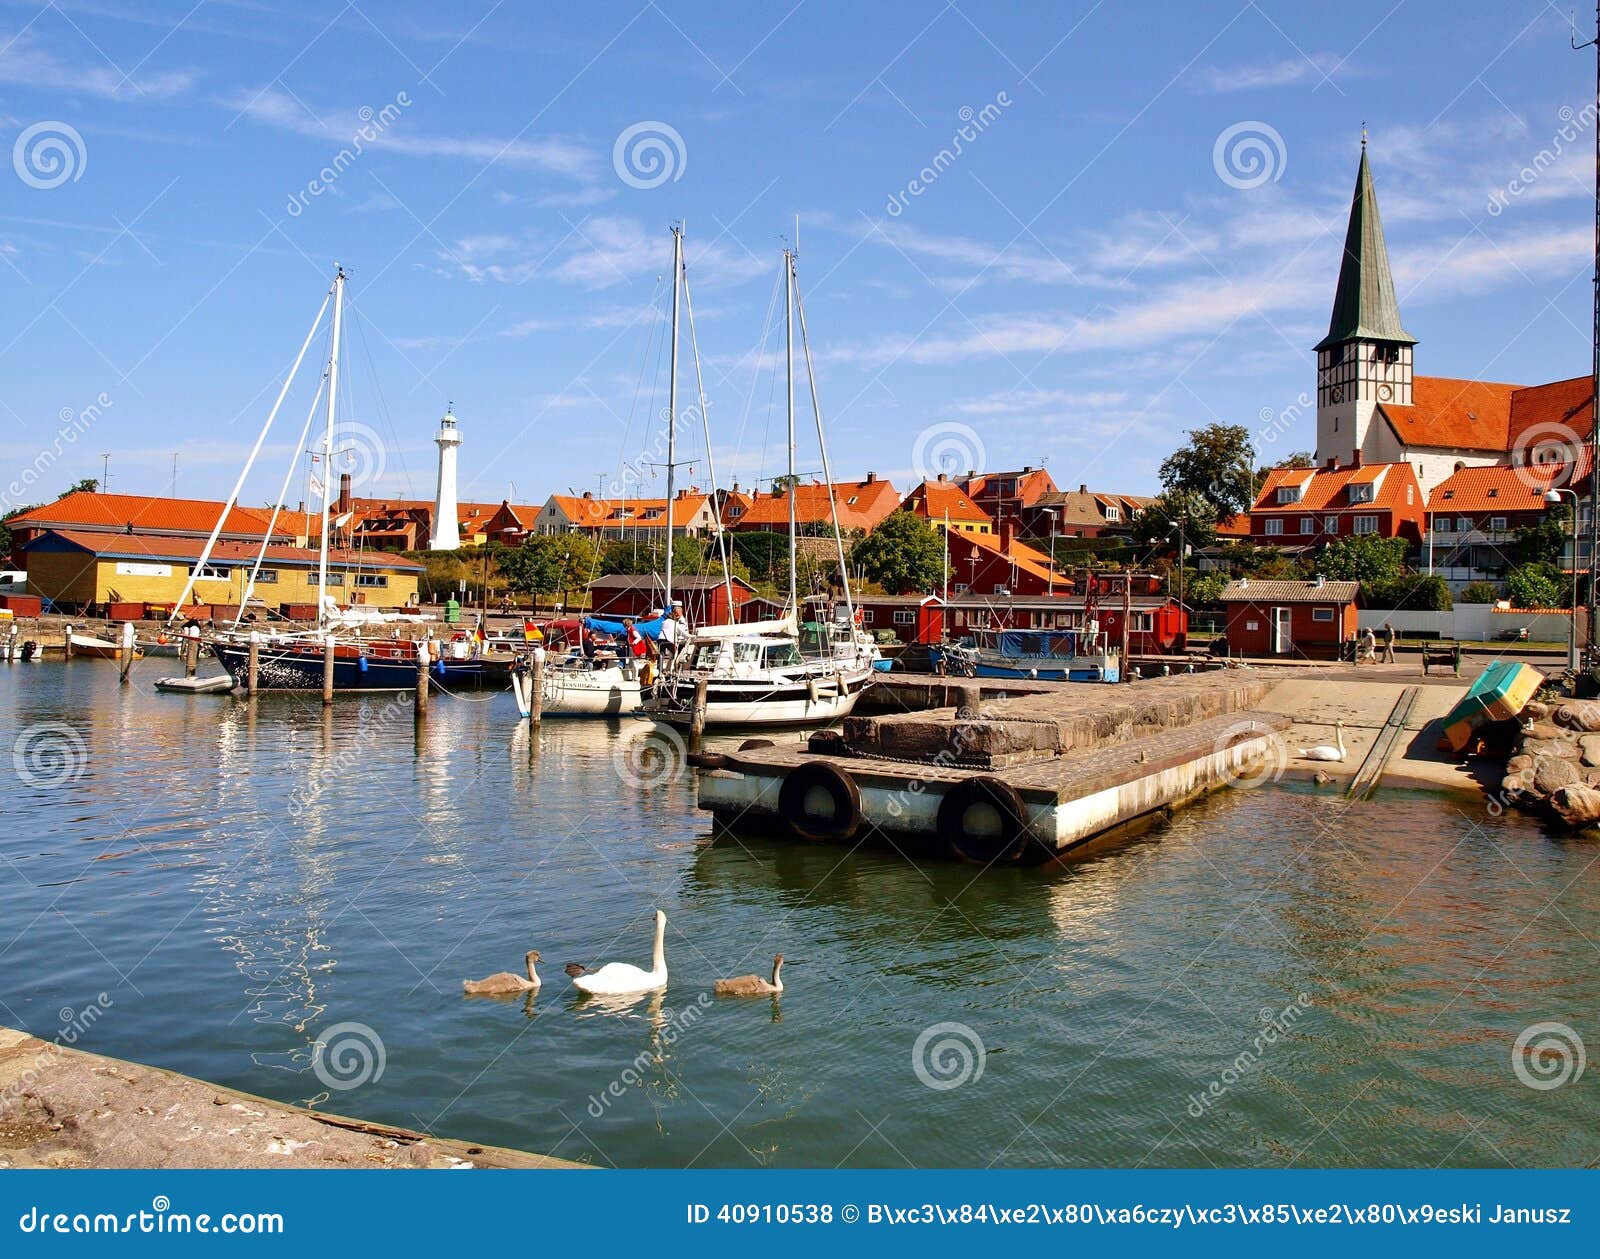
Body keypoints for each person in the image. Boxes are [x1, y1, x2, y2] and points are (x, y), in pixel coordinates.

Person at [658, 604, 683, 670]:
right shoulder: (674, 623)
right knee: (675, 653)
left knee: (661, 655)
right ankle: (675, 668)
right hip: (668, 640)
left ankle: (659, 670)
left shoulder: (664, 622)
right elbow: (681, 632)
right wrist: (690, 636)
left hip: (660, 639)